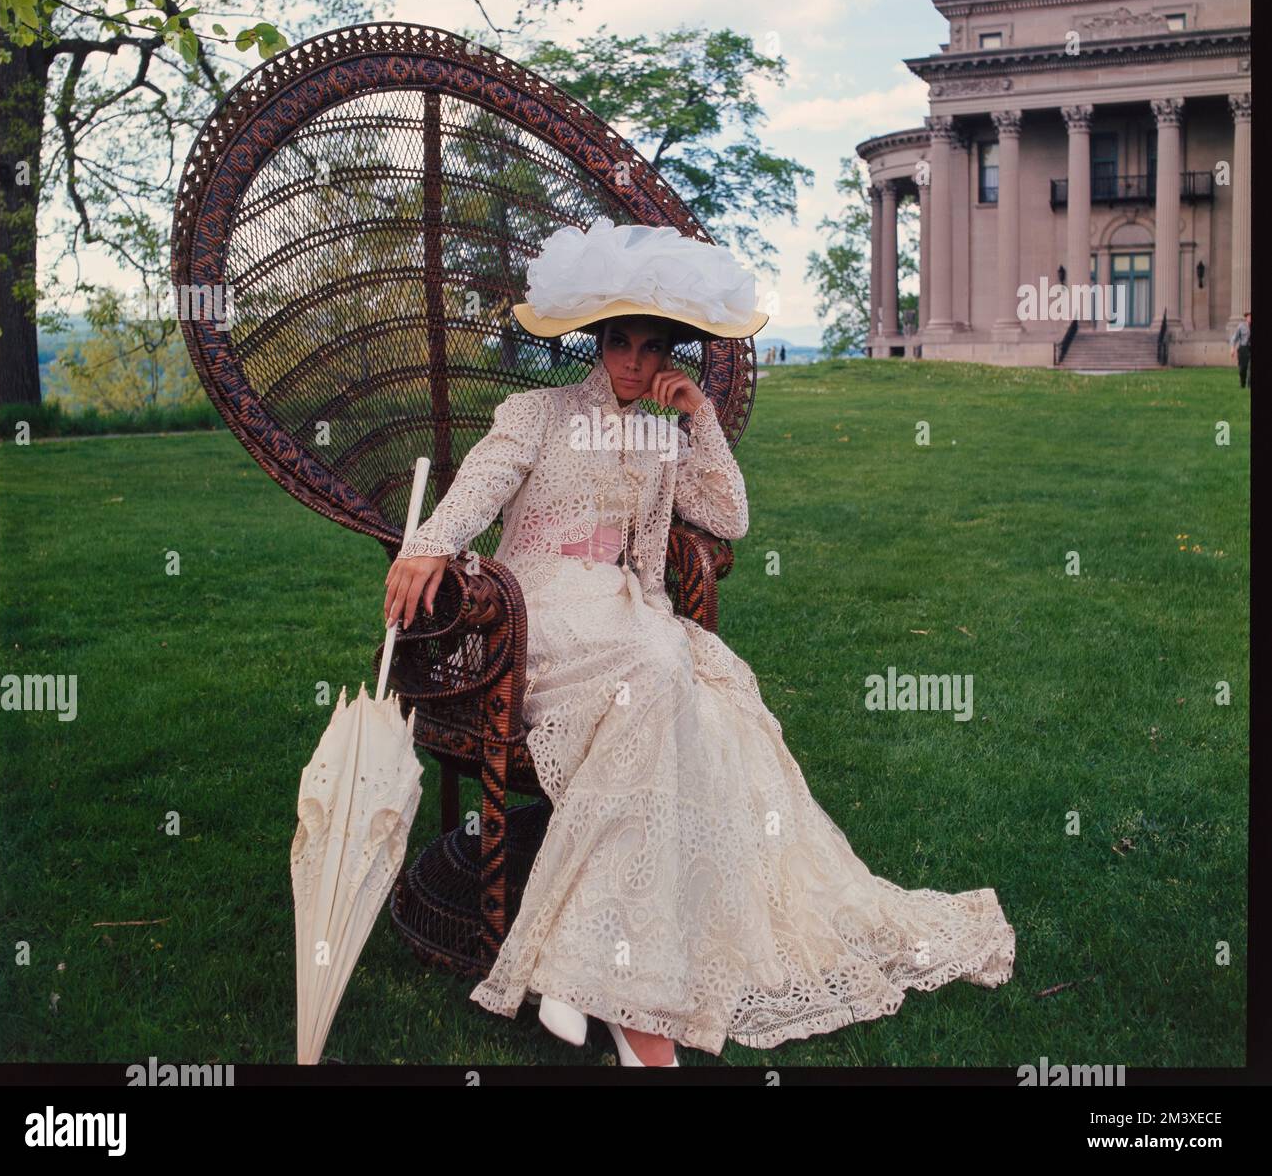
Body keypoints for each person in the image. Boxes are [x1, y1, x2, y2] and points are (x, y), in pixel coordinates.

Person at [384, 217, 1015, 1067]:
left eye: (651, 349)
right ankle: (627, 1005)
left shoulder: (659, 435)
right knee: (657, 671)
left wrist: (700, 418)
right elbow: (479, 489)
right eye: (617, 343)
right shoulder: (533, 413)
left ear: (669, 356)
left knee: (709, 703)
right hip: (540, 606)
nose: (633, 364)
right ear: (593, 341)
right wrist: (428, 541)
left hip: (626, 606)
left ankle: (590, 974)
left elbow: (728, 519)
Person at [1230, 311, 1251, 388]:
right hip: (1243, 348)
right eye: (1249, 316)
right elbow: (1234, 338)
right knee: (1243, 368)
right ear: (1246, 317)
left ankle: (1250, 386)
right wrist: (1232, 349)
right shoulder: (1241, 326)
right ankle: (1242, 384)